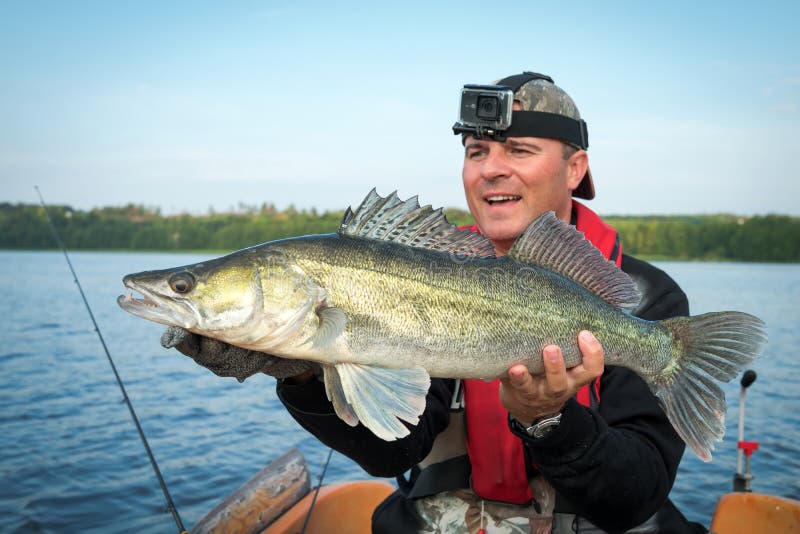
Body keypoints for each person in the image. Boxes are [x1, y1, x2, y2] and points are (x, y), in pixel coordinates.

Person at [164, 72, 707, 533]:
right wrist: (303, 377)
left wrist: (549, 420)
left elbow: (635, 498)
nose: (491, 168)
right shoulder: (429, 270)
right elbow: (392, 451)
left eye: (518, 150)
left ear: (574, 169)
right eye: (476, 152)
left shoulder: (644, 299)